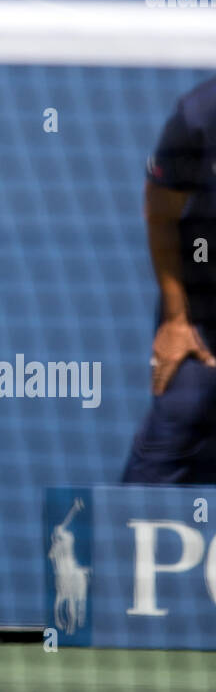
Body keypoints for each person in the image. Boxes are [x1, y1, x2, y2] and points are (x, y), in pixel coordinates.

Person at [122, 76, 216, 484]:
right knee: (181, 414)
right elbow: (160, 212)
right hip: (205, 314)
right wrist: (176, 322)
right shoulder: (200, 114)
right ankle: (125, 546)